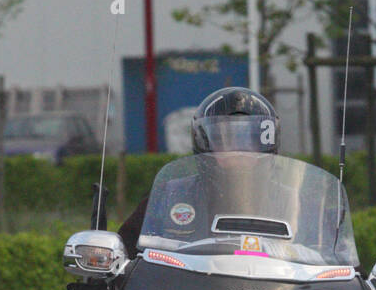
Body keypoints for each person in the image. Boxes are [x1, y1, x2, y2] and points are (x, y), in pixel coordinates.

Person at [116, 87, 280, 256]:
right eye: (225, 141)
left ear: (266, 146)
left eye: (248, 142)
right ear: (205, 145)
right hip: (186, 283)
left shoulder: (291, 201)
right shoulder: (169, 197)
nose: (237, 153)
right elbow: (124, 259)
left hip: (274, 283)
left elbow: (309, 258)